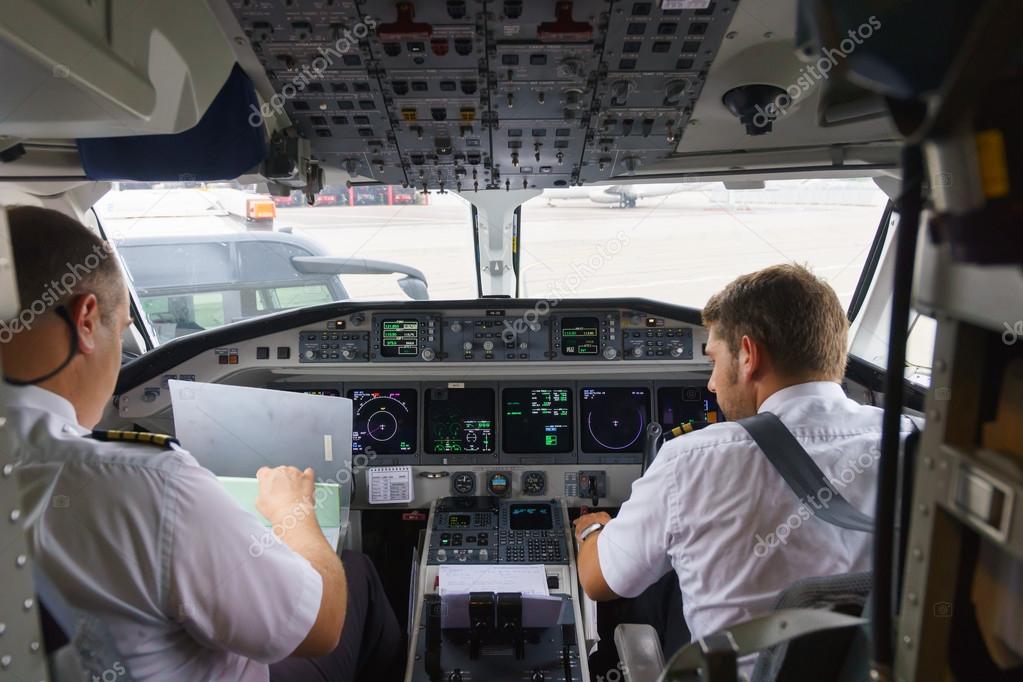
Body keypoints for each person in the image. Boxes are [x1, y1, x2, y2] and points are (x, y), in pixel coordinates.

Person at [0, 205, 404, 681]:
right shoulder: (144, 484)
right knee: (353, 573)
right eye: (125, 328)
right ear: (86, 319)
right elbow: (320, 629)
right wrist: (295, 516)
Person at [574, 264, 917, 676]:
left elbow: (599, 582)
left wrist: (592, 530)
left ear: (749, 356)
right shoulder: (919, 445)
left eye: (715, 360)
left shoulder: (689, 461)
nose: (712, 385)